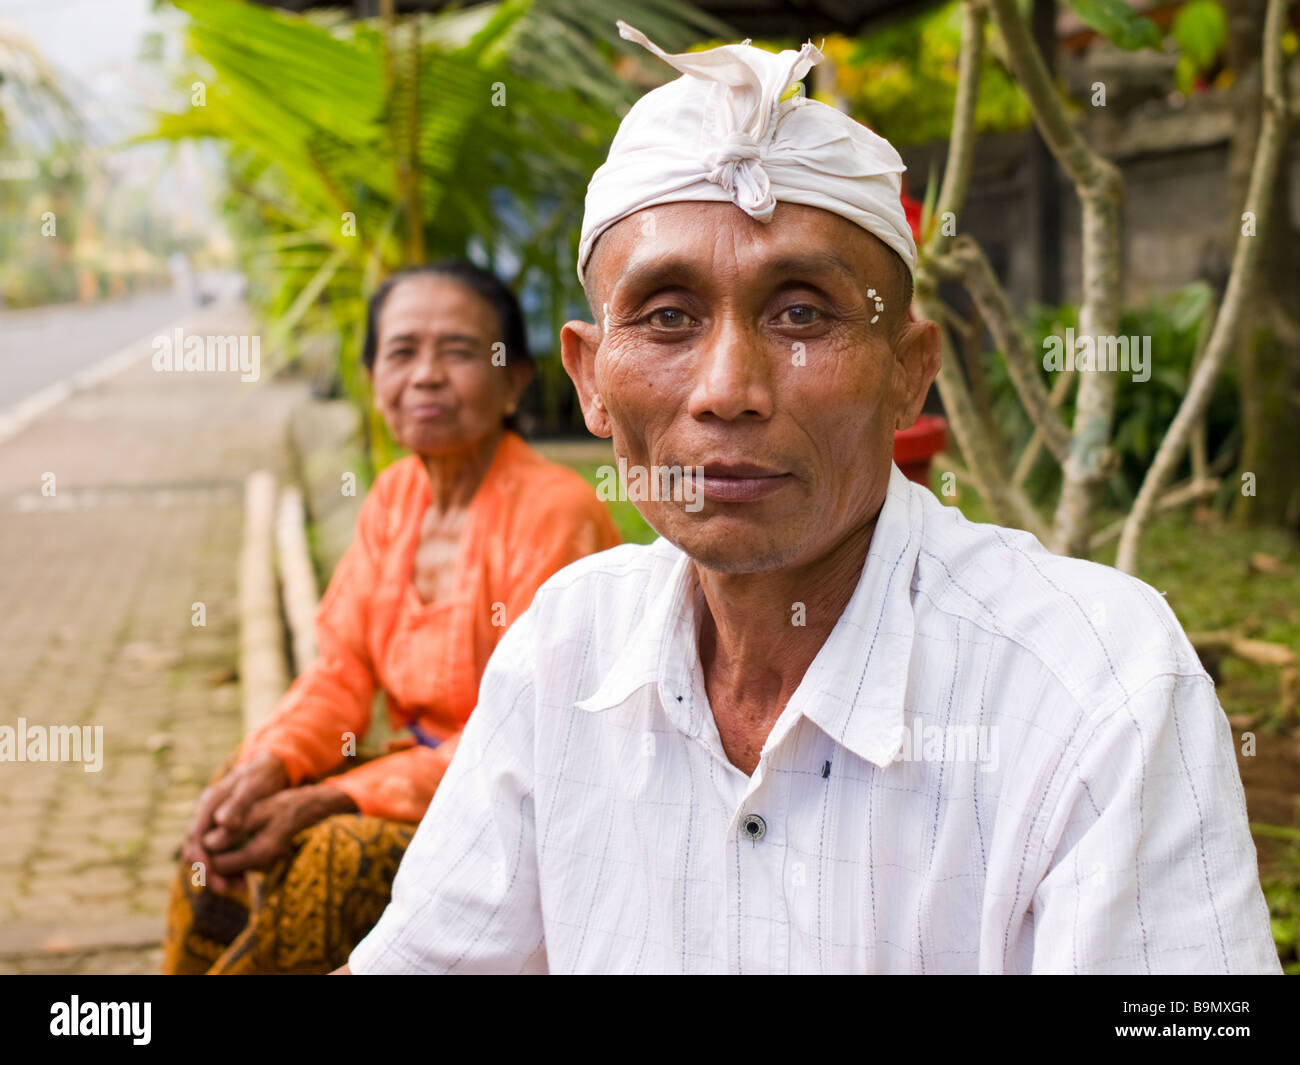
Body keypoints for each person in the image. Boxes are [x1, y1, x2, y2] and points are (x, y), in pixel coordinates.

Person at [343, 26, 1279, 974]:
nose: (727, 387)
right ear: (589, 379)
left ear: (909, 371)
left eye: (802, 313)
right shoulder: (562, 651)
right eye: (667, 317)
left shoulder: (1095, 683)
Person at [162, 261, 621, 974]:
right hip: (419, 781)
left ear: (515, 381)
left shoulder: (553, 514)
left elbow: (525, 746)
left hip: (517, 815)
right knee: (234, 807)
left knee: (332, 853)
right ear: (374, 377)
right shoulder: (393, 497)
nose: (428, 375)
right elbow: (341, 672)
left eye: (461, 351)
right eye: (402, 351)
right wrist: (271, 762)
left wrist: (343, 794)